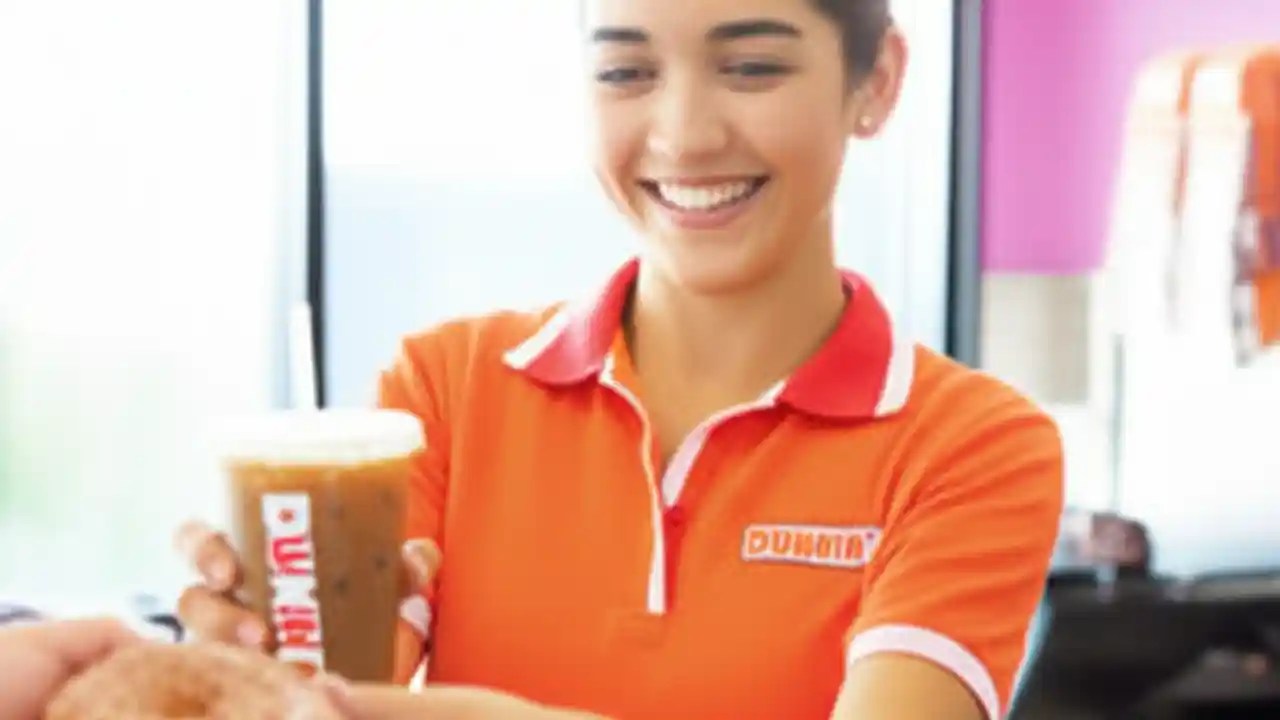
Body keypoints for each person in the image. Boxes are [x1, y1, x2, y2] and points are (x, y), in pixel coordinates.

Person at [178, 0, 1064, 718]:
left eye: (751, 66)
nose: (683, 135)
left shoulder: (973, 448)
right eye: (626, 72)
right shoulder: (445, 390)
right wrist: (246, 660)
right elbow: (328, 698)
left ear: (876, 80)